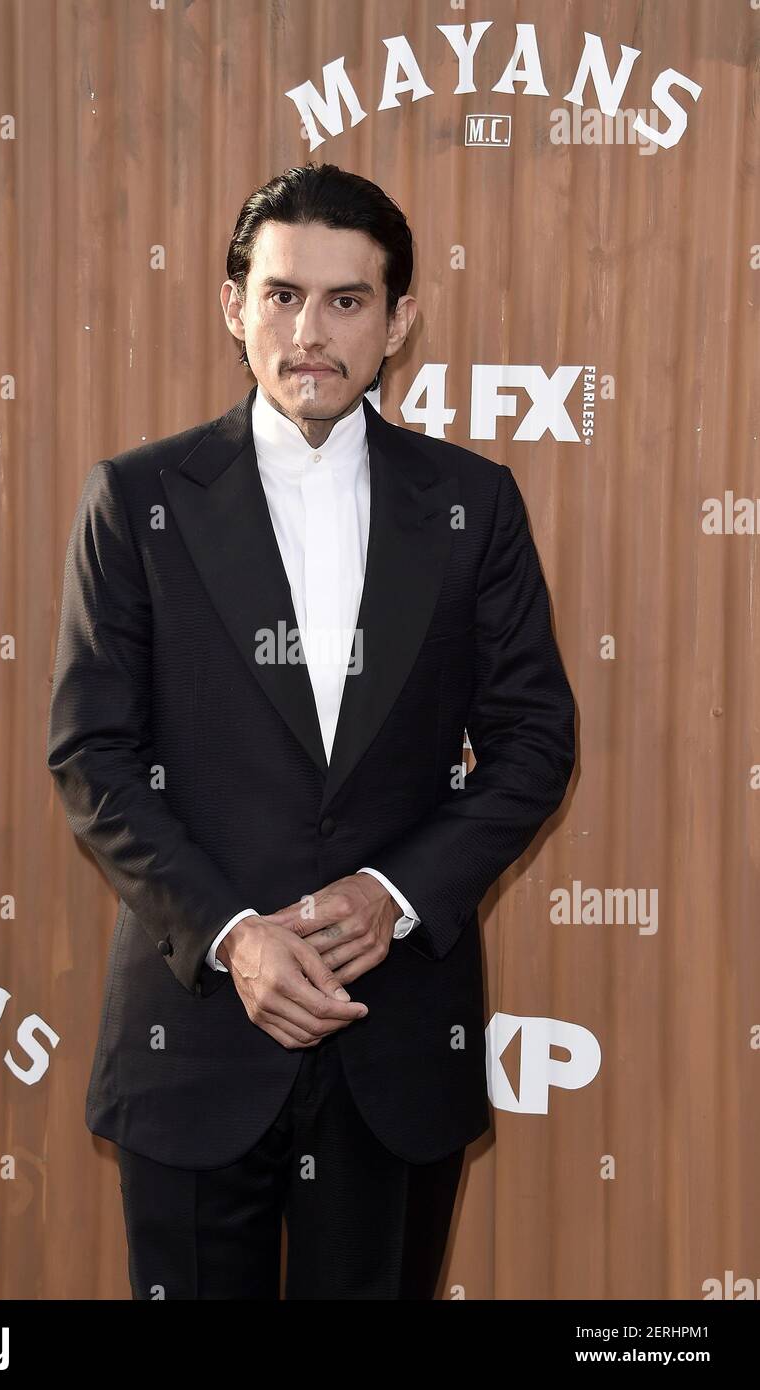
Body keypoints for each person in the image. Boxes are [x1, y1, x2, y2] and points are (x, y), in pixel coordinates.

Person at [45, 162, 576, 1300]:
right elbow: (91, 756)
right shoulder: (137, 502)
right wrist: (235, 933)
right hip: (192, 1039)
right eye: (281, 295)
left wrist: (392, 893)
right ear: (233, 306)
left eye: (346, 300)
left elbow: (533, 741)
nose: (309, 332)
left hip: (393, 1042)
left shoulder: (470, 505)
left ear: (398, 322)